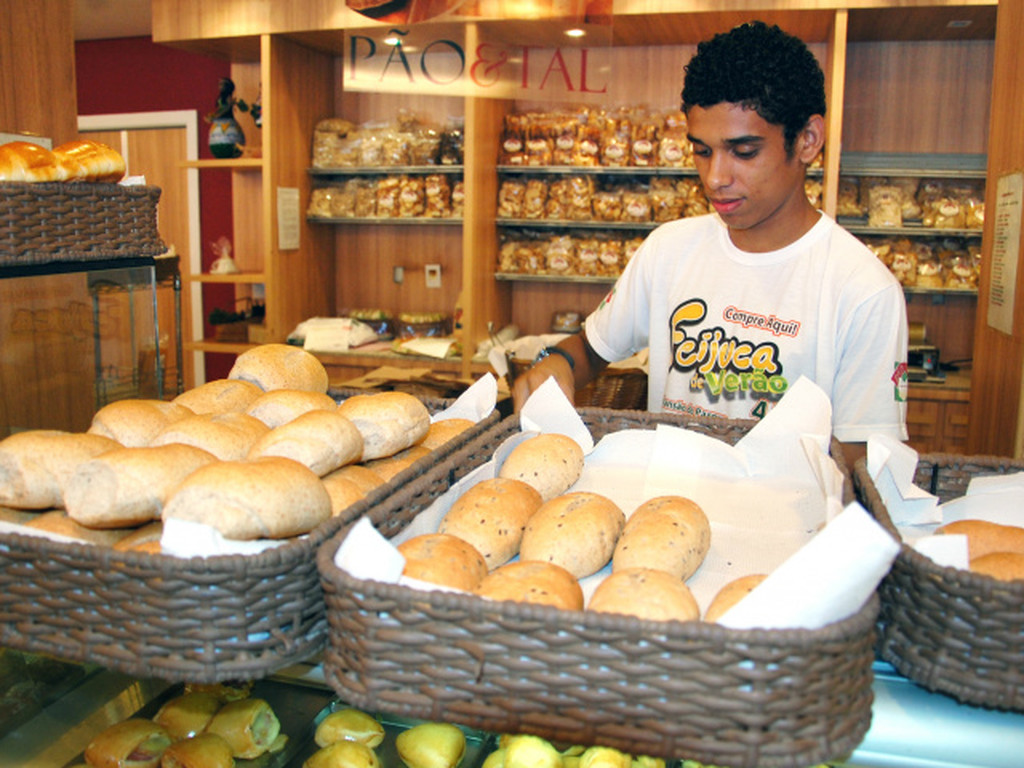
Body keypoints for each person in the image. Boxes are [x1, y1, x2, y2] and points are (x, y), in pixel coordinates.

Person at [511, 20, 909, 466]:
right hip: (665, 500)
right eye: (702, 151)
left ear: (807, 140)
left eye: (744, 151)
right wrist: (556, 363)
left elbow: (860, 466)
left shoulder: (863, 291)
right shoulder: (668, 250)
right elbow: (589, 348)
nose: (715, 178)